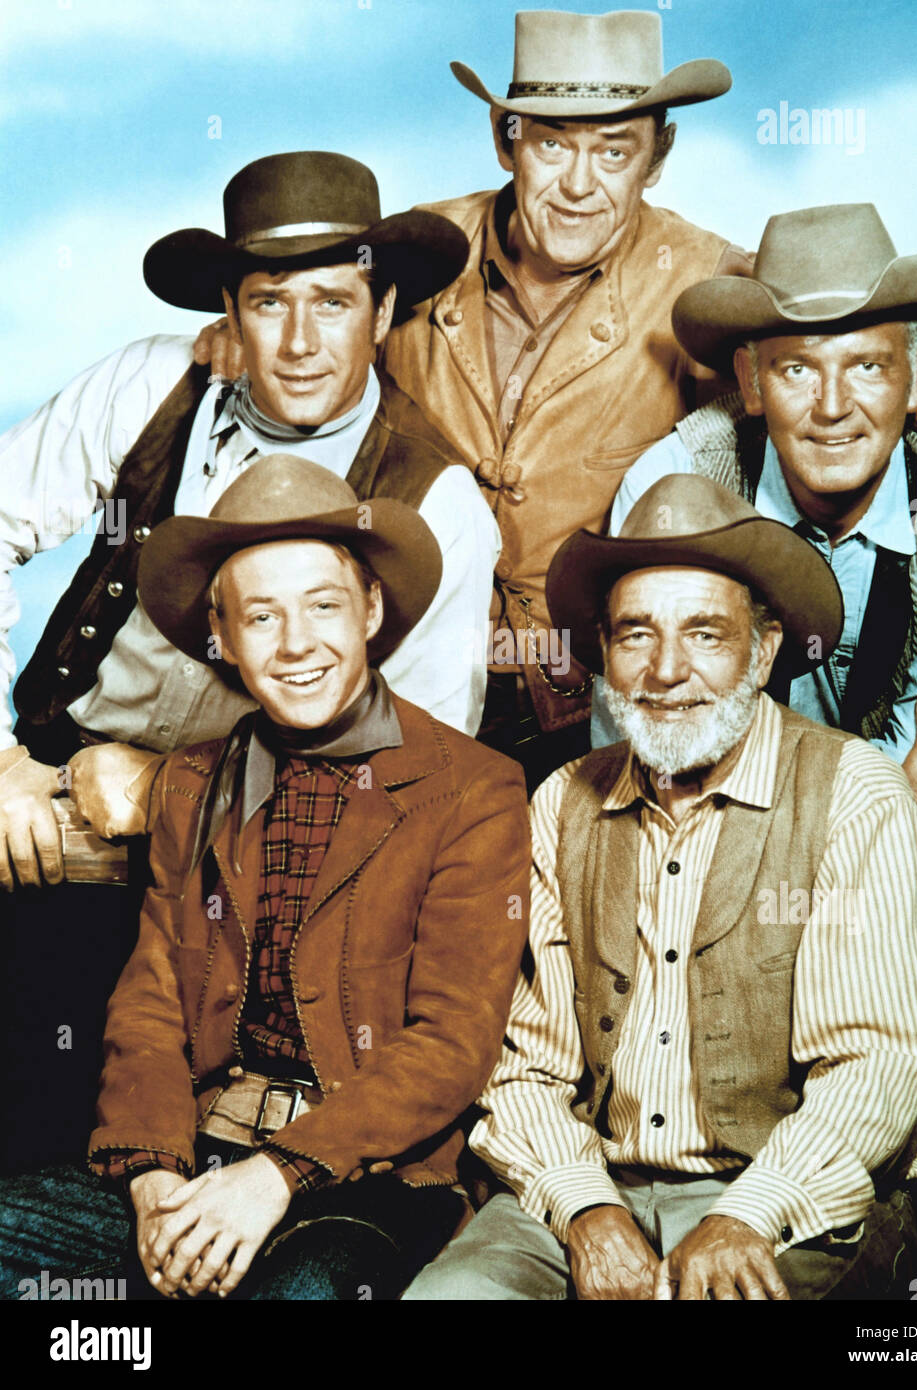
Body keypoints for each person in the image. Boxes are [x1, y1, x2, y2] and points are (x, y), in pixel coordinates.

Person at [195, 11, 917, 791]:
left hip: (586, 707)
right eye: (550, 143)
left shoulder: (713, 281)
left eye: (614, 150)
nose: (578, 185)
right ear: (505, 141)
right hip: (401, 671)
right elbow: (306, 312)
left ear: (656, 157)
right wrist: (230, 343)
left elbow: (832, 334)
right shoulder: (418, 253)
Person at [0, 150, 498, 1171]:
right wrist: (3, 766)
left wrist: (183, 786)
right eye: (272, 303)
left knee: (136, 1122)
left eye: (335, 301)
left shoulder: (438, 503)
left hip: (240, 854)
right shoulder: (149, 383)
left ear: (387, 306)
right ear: (228, 308)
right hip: (49, 798)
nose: (305, 341)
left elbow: (409, 776)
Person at [0, 453, 530, 1301]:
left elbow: (452, 1044)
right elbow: (150, 1004)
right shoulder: (191, 780)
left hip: (367, 1179)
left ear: (371, 609)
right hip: (196, 1149)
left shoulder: (472, 788)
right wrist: (151, 1178)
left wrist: (274, 1178)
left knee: (304, 1297)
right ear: (223, 636)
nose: (295, 645)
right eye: (261, 616)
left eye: (323, 605)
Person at [405, 474, 917, 1300]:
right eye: (635, 635)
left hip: (783, 1198)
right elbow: (521, 1066)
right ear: (604, 656)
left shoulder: (851, 793)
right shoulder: (563, 801)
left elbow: (874, 1062)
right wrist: (586, 1210)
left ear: (762, 652)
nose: (665, 670)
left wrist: (746, 1216)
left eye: (704, 635)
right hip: (589, 1186)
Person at [600, 202, 917, 1181]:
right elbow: (649, 756)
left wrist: (765, 810)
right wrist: (887, 811)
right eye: (798, 367)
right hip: (764, 853)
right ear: (750, 381)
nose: (833, 406)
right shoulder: (674, 483)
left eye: (868, 366)